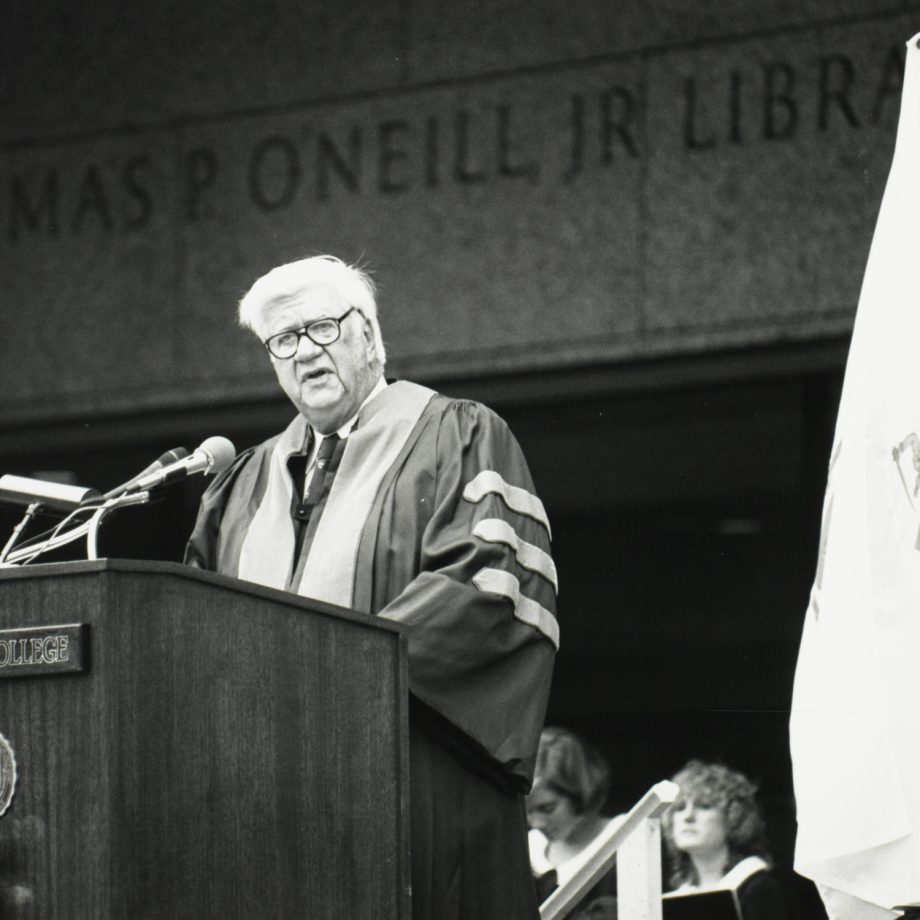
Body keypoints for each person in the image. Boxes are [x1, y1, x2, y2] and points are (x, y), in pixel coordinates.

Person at [184, 254, 559, 920]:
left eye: (322, 327)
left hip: (416, 790)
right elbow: (192, 633)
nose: (305, 353)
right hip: (269, 810)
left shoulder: (458, 436)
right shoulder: (242, 486)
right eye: (284, 340)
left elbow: (488, 591)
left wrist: (323, 675)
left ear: (370, 337)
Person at [661, 760, 793, 920]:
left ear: (733, 817)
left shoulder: (758, 888)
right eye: (680, 808)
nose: (688, 817)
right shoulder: (676, 898)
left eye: (704, 806)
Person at [527, 727, 623, 920]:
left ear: (580, 793)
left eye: (547, 808)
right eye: (527, 812)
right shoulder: (528, 849)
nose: (536, 823)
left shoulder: (624, 838)